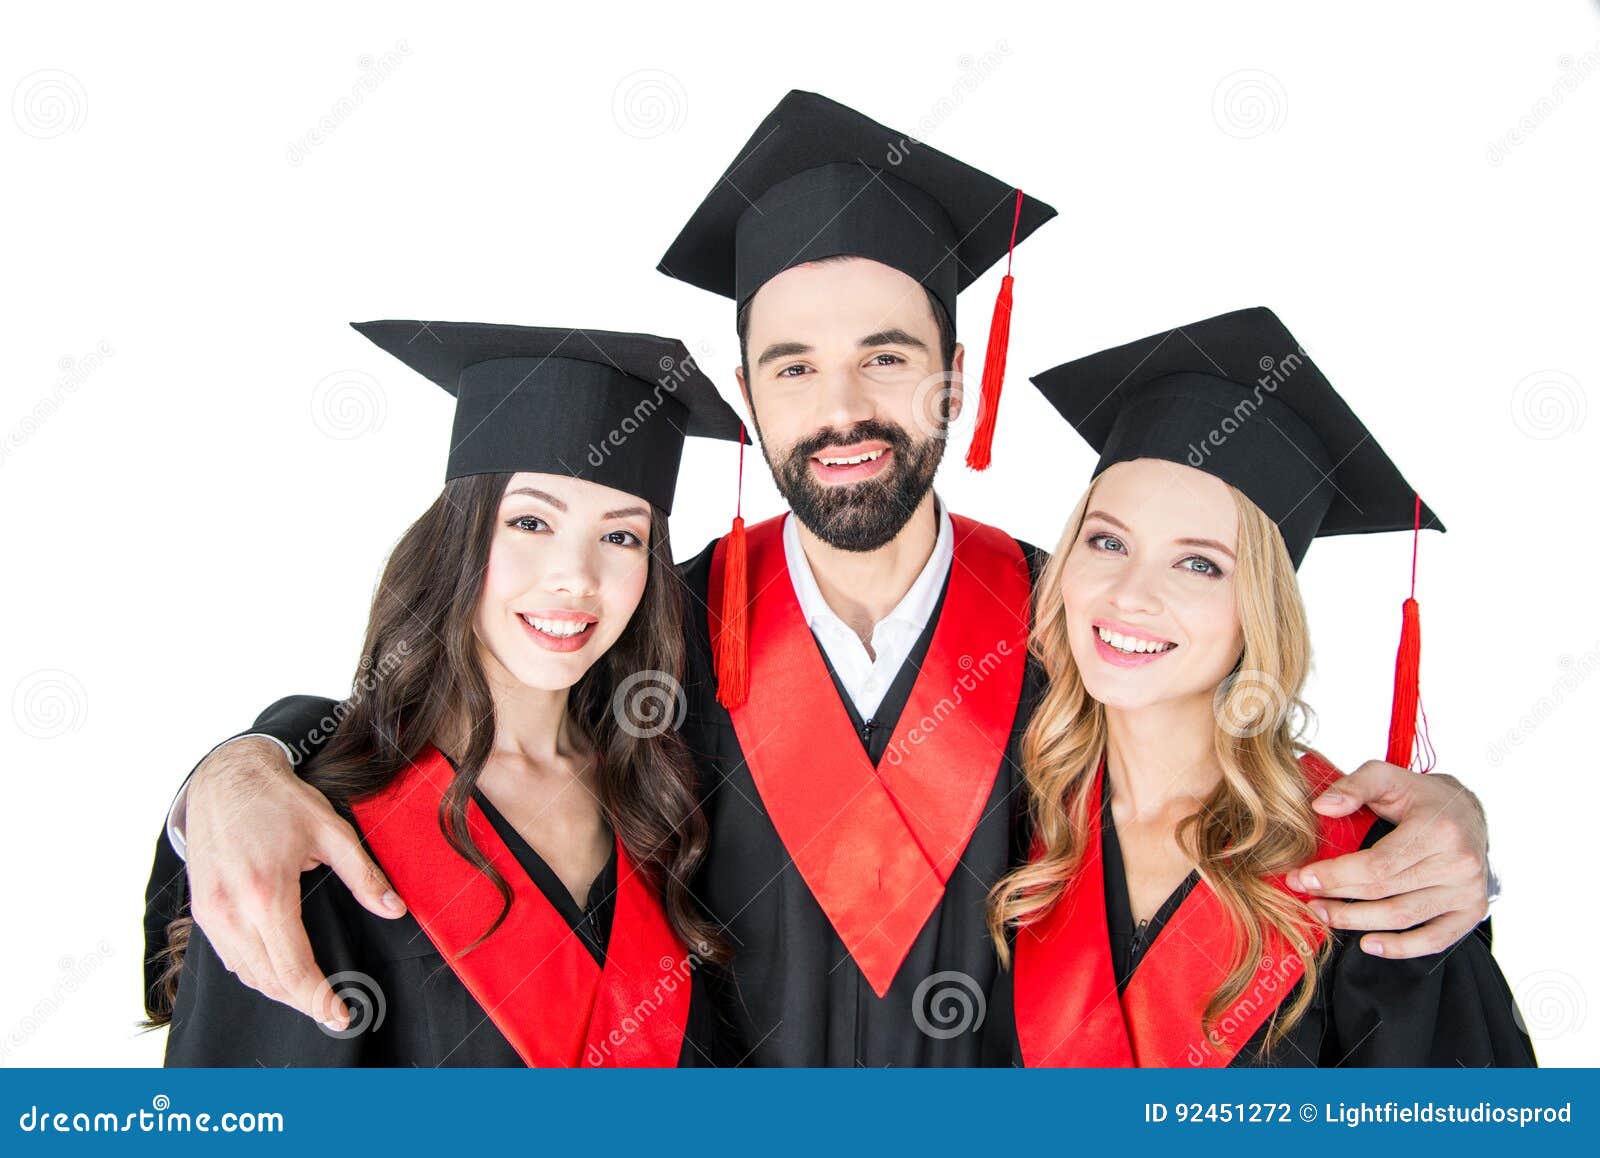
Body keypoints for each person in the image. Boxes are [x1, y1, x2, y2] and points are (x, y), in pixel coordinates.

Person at [148, 94, 1495, 1067]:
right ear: (748, 392)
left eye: (889, 354)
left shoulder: (1076, 632)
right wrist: (240, 765)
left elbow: (1235, 813)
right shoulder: (642, 626)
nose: (841, 403)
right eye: (793, 364)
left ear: (955, 380)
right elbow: (438, 733)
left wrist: (1436, 819)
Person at [145, 322, 744, 1066]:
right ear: (458, 539)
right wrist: (241, 766)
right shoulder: (316, 830)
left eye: (621, 537)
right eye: (530, 521)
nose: (576, 576)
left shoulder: (666, 801)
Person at [985, 307, 1533, 1067]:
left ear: (1261, 611)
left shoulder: (1372, 880)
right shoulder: (1007, 817)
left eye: (1200, 563)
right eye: (1107, 541)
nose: (1131, 595)